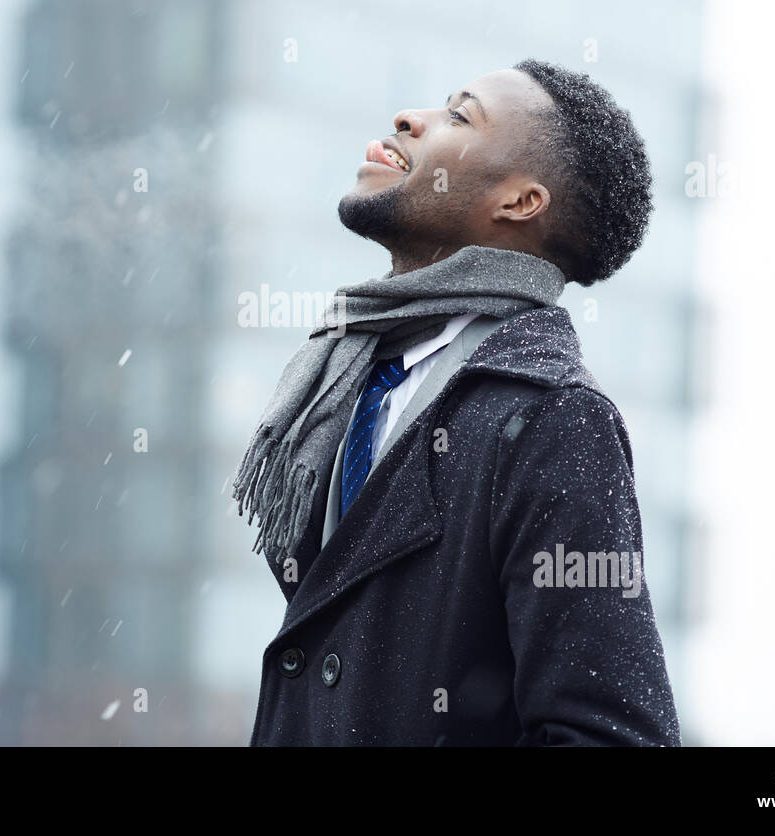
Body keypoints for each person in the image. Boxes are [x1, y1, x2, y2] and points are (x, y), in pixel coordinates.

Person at [232, 59, 680, 746]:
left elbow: (607, 733)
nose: (410, 120)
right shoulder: (350, 378)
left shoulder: (555, 416)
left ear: (520, 202)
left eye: (458, 114)